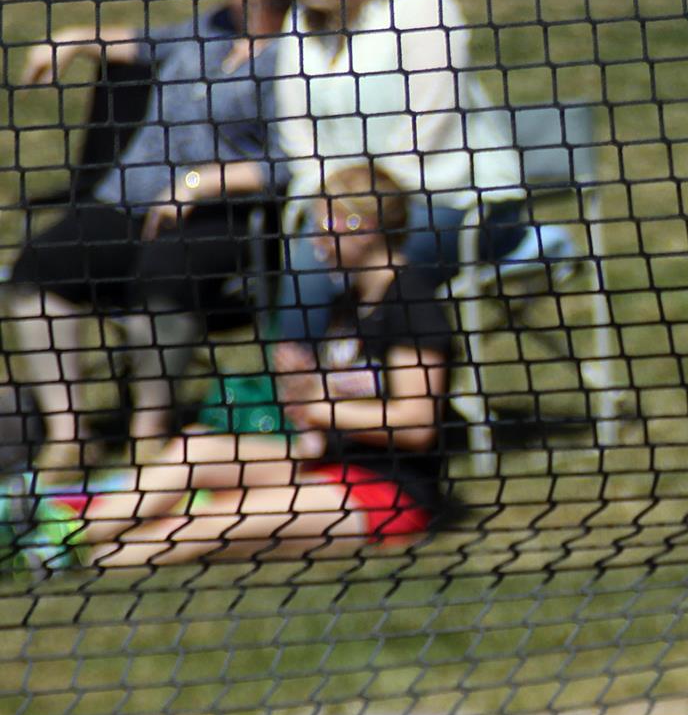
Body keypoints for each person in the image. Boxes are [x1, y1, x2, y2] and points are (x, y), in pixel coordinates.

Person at [3, 163, 458, 572]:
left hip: (389, 491)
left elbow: (416, 425)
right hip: (328, 460)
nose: (317, 234)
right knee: (196, 448)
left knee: (209, 523)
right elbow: (346, 399)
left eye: (328, 221)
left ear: (366, 228)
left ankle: (62, 558)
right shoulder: (349, 302)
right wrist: (302, 389)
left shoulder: (411, 305)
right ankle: (64, 530)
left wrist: (318, 407)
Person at [8, 0, 294, 469]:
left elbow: (297, 160)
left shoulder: (300, 56)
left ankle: (149, 430)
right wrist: (71, 40)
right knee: (37, 271)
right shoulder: (209, 28)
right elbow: (138, 42)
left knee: (161, 284)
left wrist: (196, 182)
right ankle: (71, 432)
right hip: (128, 200)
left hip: (228, 217)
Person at [268, 0, 524, 346]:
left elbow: (428, 122)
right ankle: (311, 398)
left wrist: (364, 205)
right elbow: (297, 130)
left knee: (327, 265)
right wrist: (335, 201)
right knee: (310, 254)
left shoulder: (421, 6)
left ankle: (374, 401)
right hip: (340, 210)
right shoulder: (300, 24)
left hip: (454, 203)